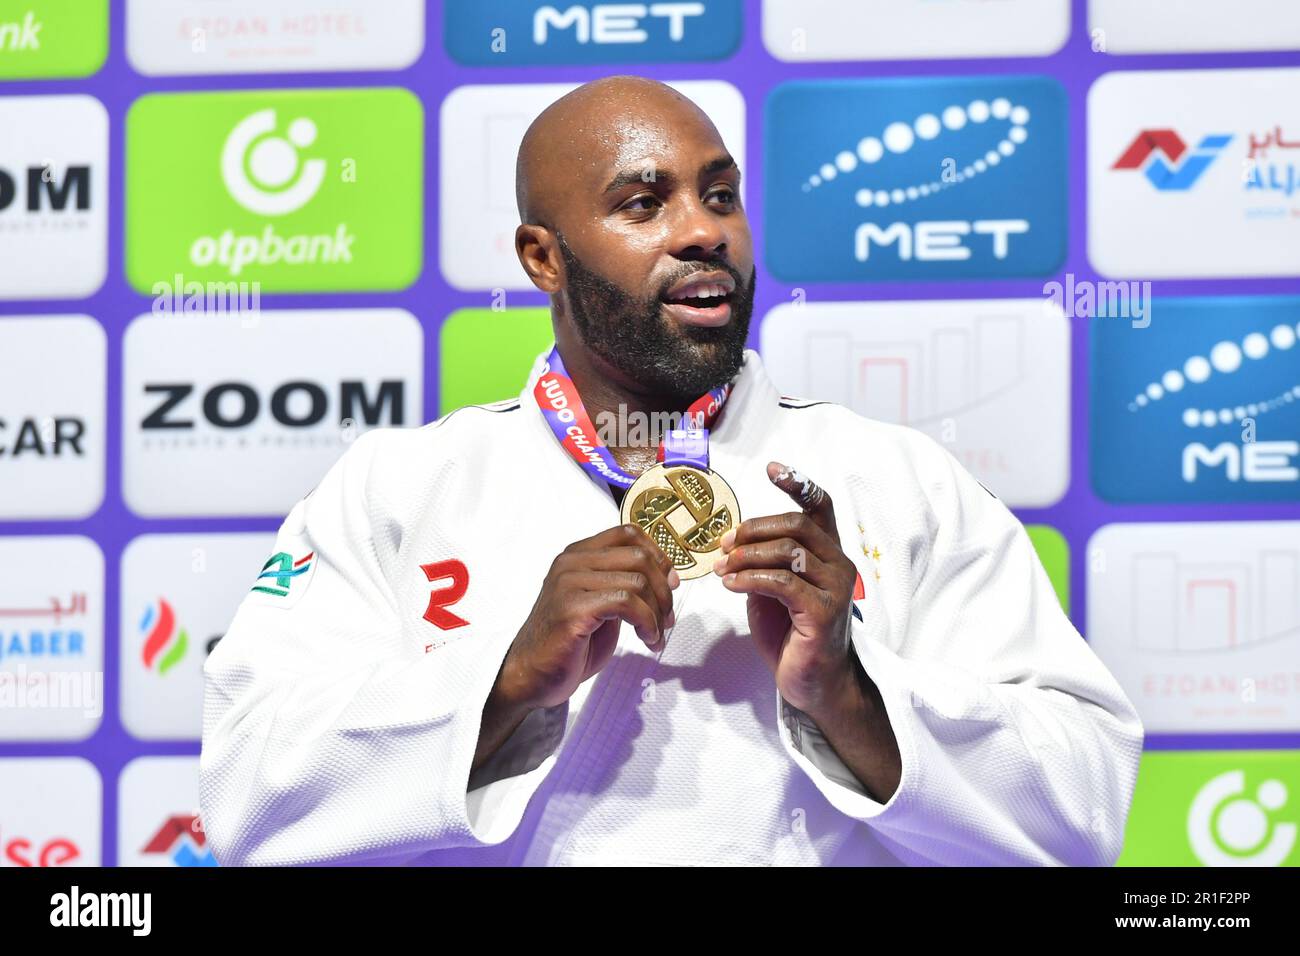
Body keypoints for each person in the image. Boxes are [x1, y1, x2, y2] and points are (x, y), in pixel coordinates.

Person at [198, 76, 1144, 867]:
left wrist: (850, 692)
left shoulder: (894, 480)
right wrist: (505, 680)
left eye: (720, 195)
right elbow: (247, 795)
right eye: (644, 203)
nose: (704, 233)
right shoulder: (400, 487)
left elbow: (1086, 806)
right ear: (542, 257)